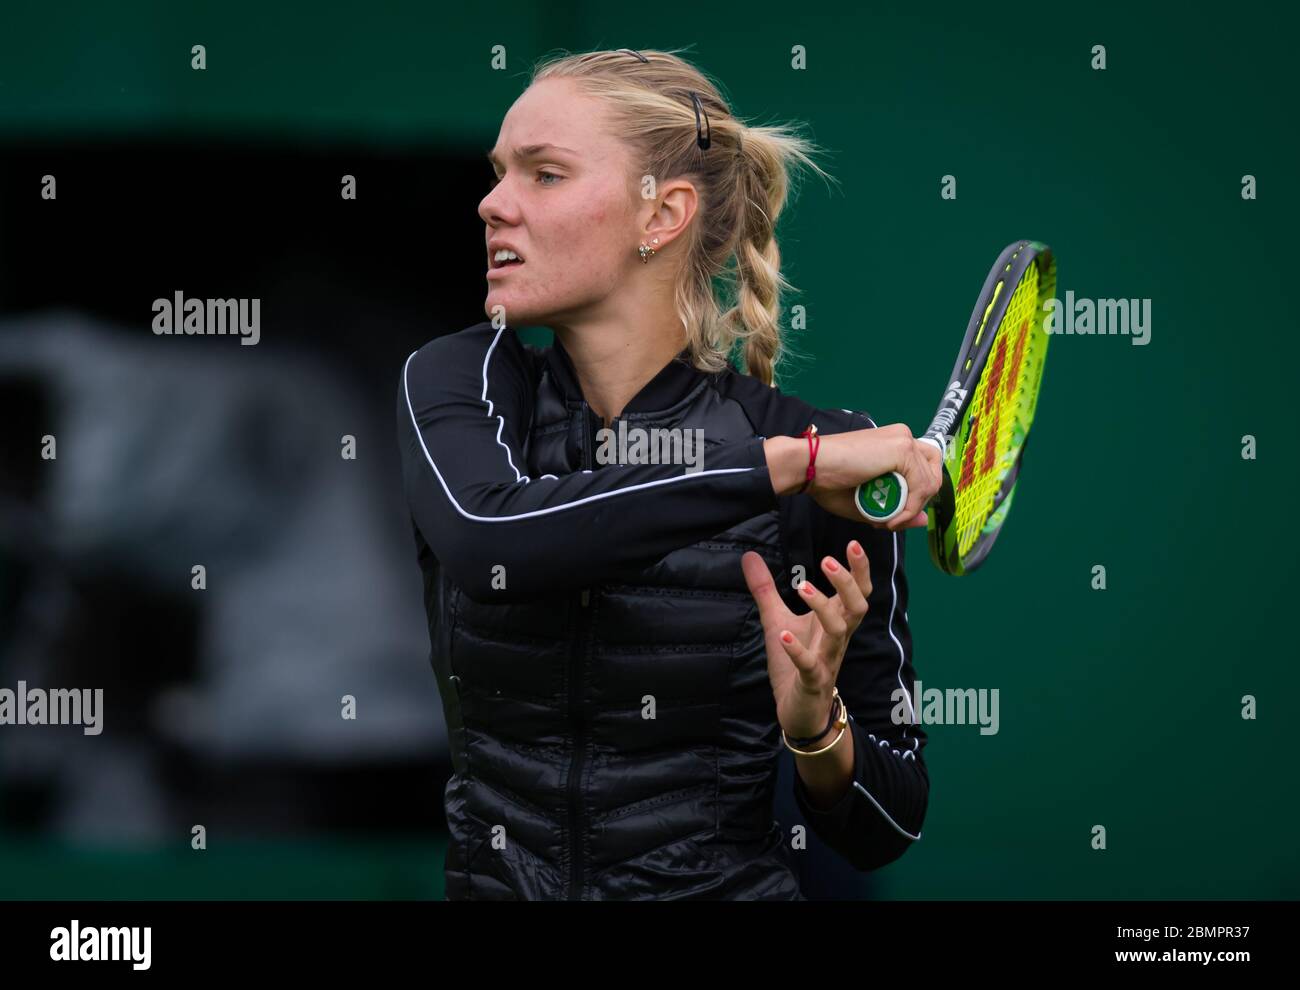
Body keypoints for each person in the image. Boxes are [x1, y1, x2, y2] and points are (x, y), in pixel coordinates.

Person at [397, 48, 942, 900]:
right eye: (499, 173)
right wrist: (787, 467)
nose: (492, 203)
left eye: (544, 175)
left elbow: (890, 824)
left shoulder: (824, 463)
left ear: (664, 214)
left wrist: (816, 729)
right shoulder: (458, 380)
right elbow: (490, 536)